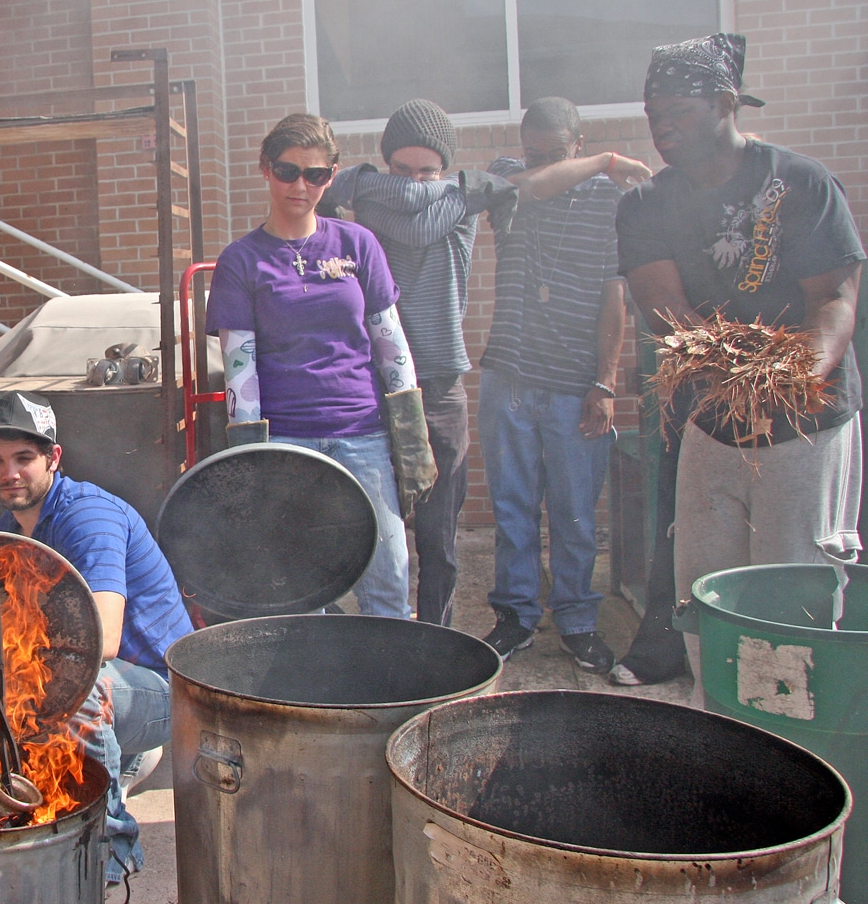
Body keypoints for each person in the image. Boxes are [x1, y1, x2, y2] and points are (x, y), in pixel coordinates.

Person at [617, 32, 864, 705]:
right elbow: (664, 304)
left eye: (680, 111)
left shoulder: (802, 183)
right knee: (705, 586)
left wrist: (789, 380)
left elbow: (834, 300)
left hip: (806, 424)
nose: (663, 126)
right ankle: (718, 716)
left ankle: (799, 734)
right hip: (710, 420)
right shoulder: (645, 204)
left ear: (727, 103)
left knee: (794, 588)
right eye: (653, 113)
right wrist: (730, 380)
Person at [207, 113, 435, 620]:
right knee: (297, 594)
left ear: (331, 176)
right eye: (288, 171)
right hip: (287, 443)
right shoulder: (241, 261)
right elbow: (240, 368)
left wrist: (411, 437)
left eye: (315, 175)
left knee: (388, 583)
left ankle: (388, 694)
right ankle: (309, 695)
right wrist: (251, 457)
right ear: (265, 169)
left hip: (365, 436)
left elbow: (391, 344)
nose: (301, 185)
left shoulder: (358, 244)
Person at [322, 100, 517, 625]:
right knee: (373, 532)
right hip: (372, 386)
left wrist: (363, 185)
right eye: (400, 170)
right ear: (388, 167)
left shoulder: (451, 209)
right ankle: (379, 633)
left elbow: (412, 222)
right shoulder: (459, 194)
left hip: (440, 386)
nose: (413, 184)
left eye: (428, 171)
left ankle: (437, 637)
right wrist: (465, 183)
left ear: (444, 170)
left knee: (439, 539)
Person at [0, 391, 193, 884]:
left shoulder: (88, 517)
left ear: (53, 458)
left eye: (23, 458)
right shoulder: (6, 527)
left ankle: (111, 852)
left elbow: (103, 640)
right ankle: (108, 770)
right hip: (98, 686)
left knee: (72, 689)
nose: (9, 473)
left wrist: (19, 673)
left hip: (163, 691)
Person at [476, 98, 652, 670]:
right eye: (536, 151)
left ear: (575, 143)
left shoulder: (612, 203)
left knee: (576, 513)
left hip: (575, 382)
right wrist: (605, 159)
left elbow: (614, 295)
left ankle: (577, 621)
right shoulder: (507, 177)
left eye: (556, 151)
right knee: (513, 508)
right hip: (510, 374)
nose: (543, 160)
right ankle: (517, 617)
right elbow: (533, 188)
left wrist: (603, 384)